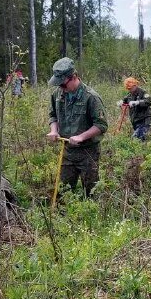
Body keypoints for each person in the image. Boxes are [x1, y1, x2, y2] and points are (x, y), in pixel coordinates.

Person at [46, 58, 108, 198]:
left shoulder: (91, 97)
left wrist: (81, 136)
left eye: (62, 84)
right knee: (63, 192)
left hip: (88, 152)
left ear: (73, 77)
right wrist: (54, 130)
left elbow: (101, 125)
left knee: (91, 193)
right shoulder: (57, 95)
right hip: (67, 151)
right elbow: (53, 116)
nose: (61, 87)